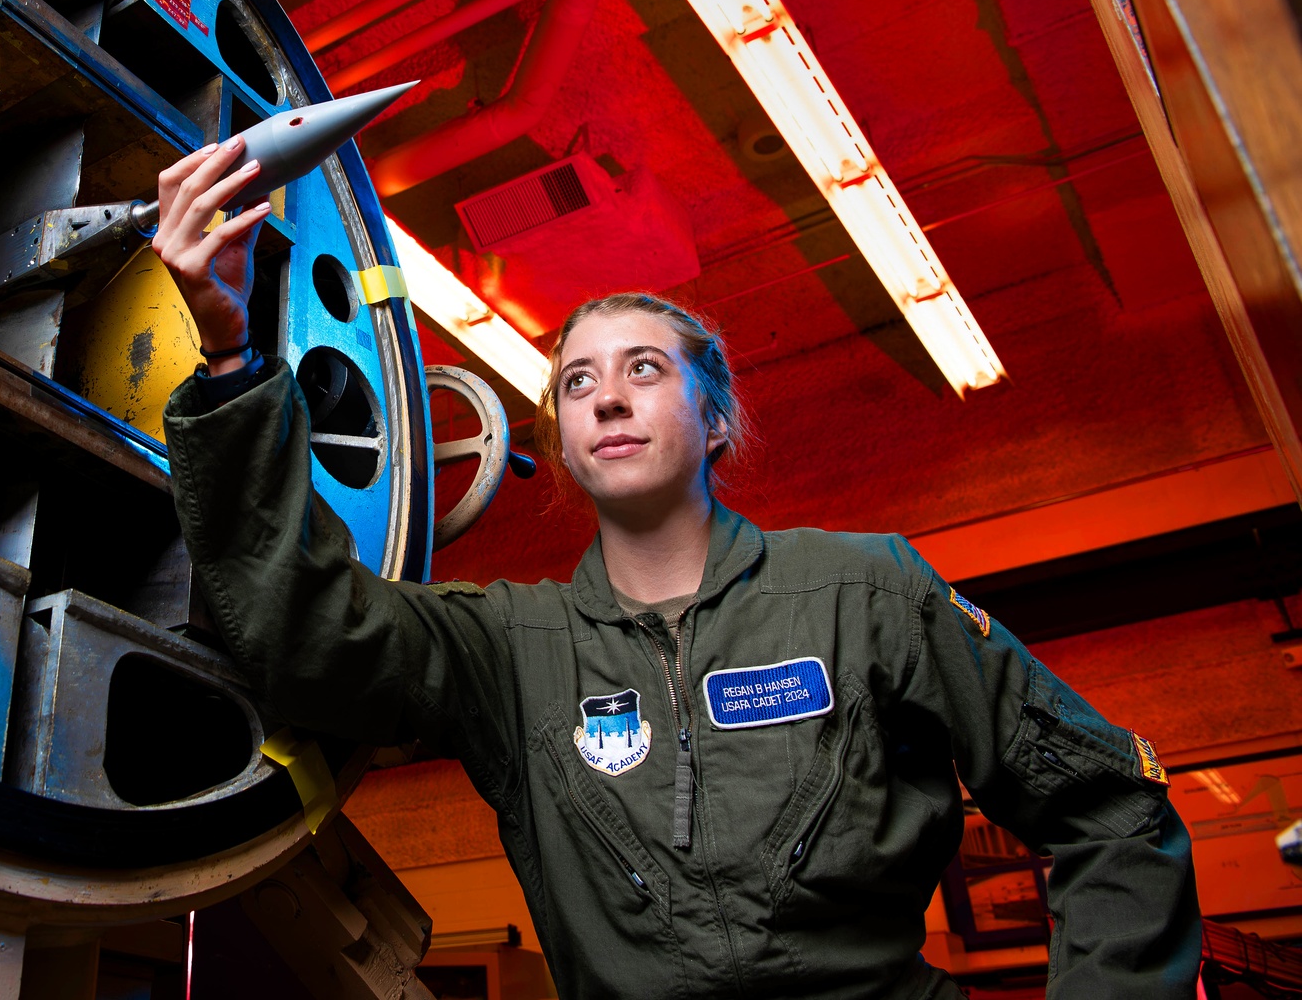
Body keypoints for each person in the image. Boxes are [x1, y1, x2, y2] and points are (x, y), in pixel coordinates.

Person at [151, 136, 1200, 999]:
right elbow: (306, 633)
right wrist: (232, 358)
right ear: (564, 446)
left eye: (643, 369)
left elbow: (1110, 807)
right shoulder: (507, 649)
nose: (606, 396)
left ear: (716, 420)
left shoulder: (866, 592)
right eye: (575, 383)